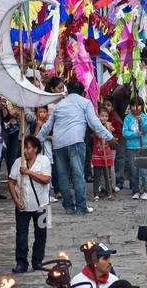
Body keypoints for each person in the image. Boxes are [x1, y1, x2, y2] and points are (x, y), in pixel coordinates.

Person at [39, 79, 116, 216]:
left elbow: (47, 127)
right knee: (78, 174)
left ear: (67, 91)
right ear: (82, 93)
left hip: (59, 143)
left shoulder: (59, 105)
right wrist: (109, 137)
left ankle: (69, 206)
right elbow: (95, 124)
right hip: (75, 141)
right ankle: (81, 207)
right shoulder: (85, 103)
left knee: (63, 176)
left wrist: (36, 140)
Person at [8, 134, 52, 273]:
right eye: (24, 148)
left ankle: (38, 260)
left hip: (42, 204)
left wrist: (28, 172)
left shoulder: (44, 161)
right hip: (23, 205)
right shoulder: (18, 162)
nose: (25, 151)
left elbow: (46, 179)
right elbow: (11, 181)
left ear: (35, 149)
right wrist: (16, 200)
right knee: (21, 234)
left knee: (41, 234)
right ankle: (21, 262)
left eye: (28, 148)